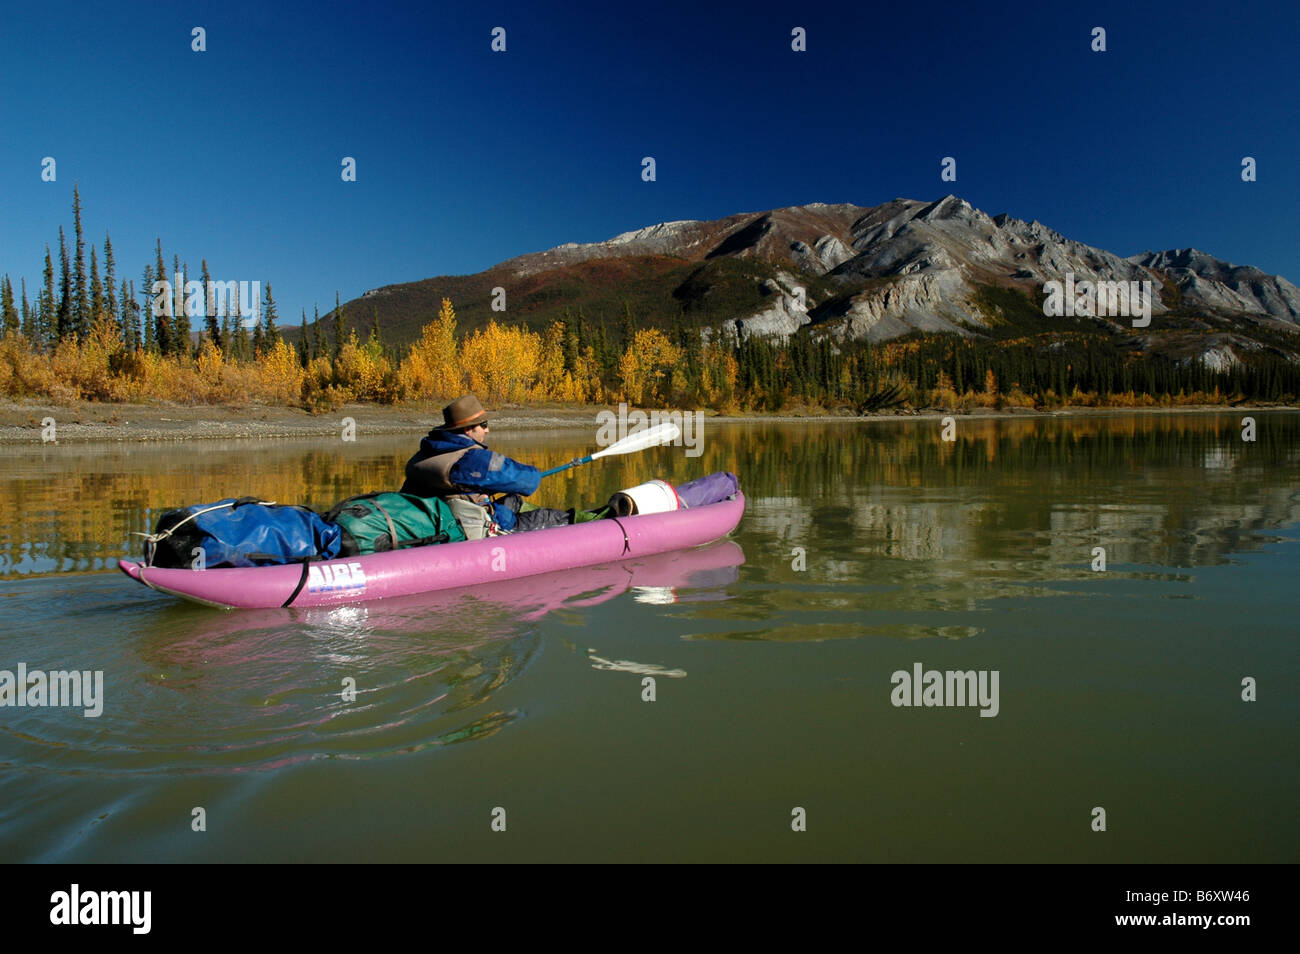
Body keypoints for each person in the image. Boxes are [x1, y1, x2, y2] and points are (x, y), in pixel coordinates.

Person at [400, 395, 540, 539]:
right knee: (549, 517)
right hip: (470, 528)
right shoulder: (471, 459)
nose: (487, 430)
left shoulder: (423, 455)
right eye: (484, 424)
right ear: (468, 429)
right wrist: (535, 474)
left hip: (439, 523)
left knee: (514, 499)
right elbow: (529, 482)